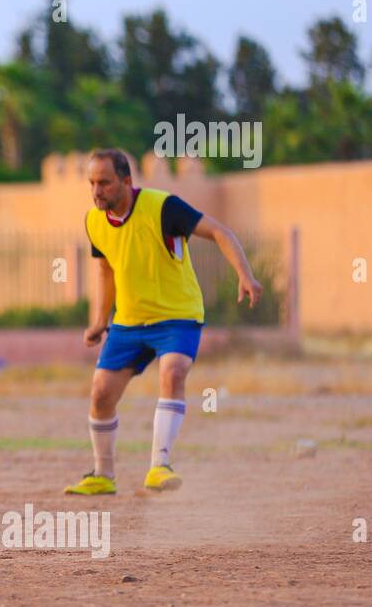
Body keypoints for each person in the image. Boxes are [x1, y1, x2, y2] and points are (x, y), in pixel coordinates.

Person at [65, 148, 262, 496]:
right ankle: (102, 475)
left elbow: (219, 232)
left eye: (105, 183)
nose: (97, 191)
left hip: (177, 316)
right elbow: (106, 269)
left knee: (172, 373)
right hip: (128, 322)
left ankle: (160, 466)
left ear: (126, 181)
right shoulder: (94, 222)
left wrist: (244, 275)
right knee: (100, 394)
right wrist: (99, 320)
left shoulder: (163, 207)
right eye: (92, 183)